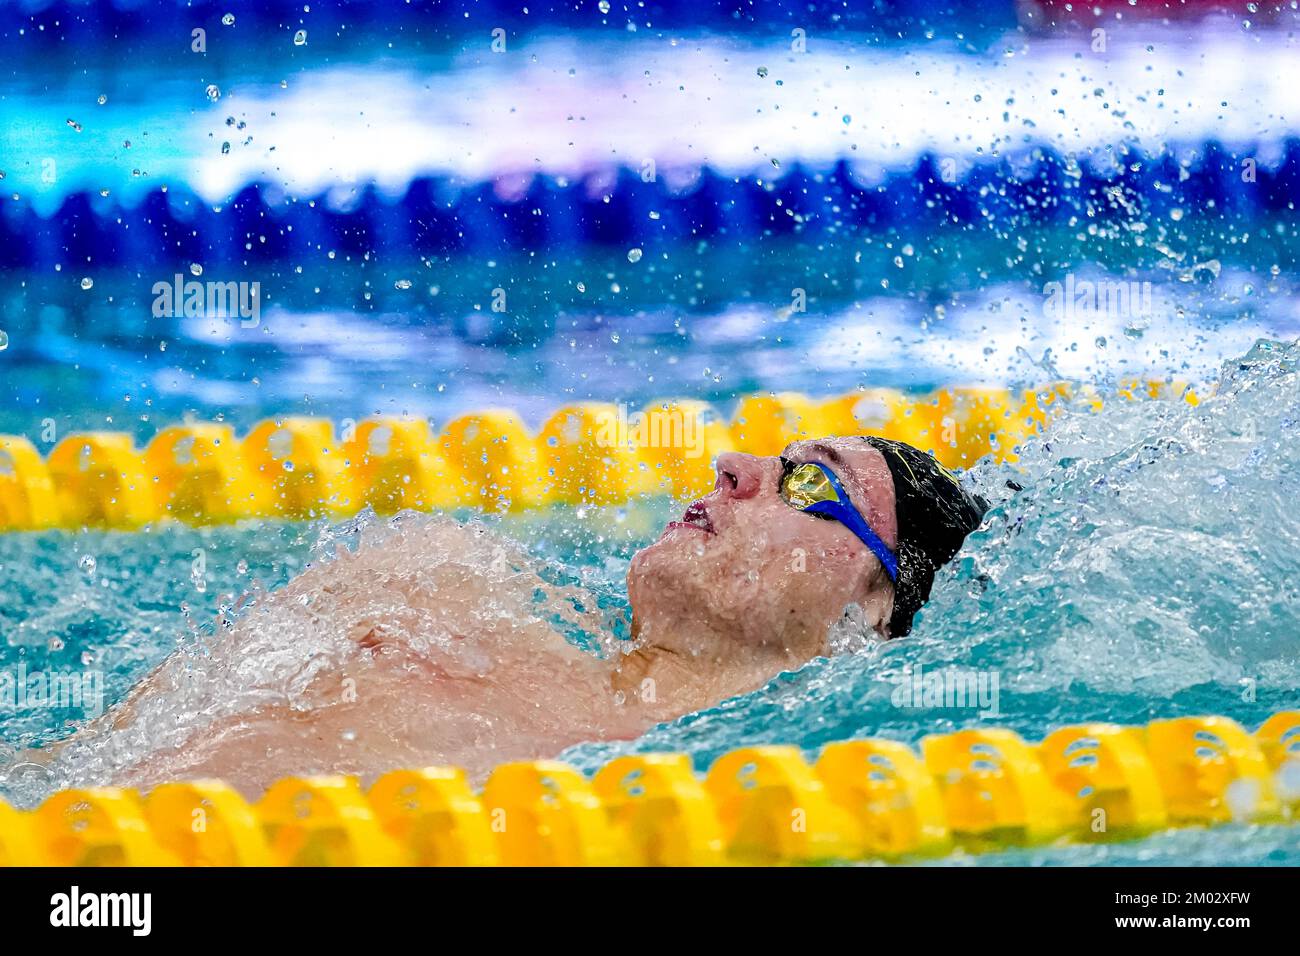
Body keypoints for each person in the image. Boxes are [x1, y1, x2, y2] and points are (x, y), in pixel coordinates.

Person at [48, 435, 987, 796]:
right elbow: (78, 762)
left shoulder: (702, 810)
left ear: (872, 610)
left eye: (810, 481)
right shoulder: (435, 583)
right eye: (771, 457)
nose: (735, 467)